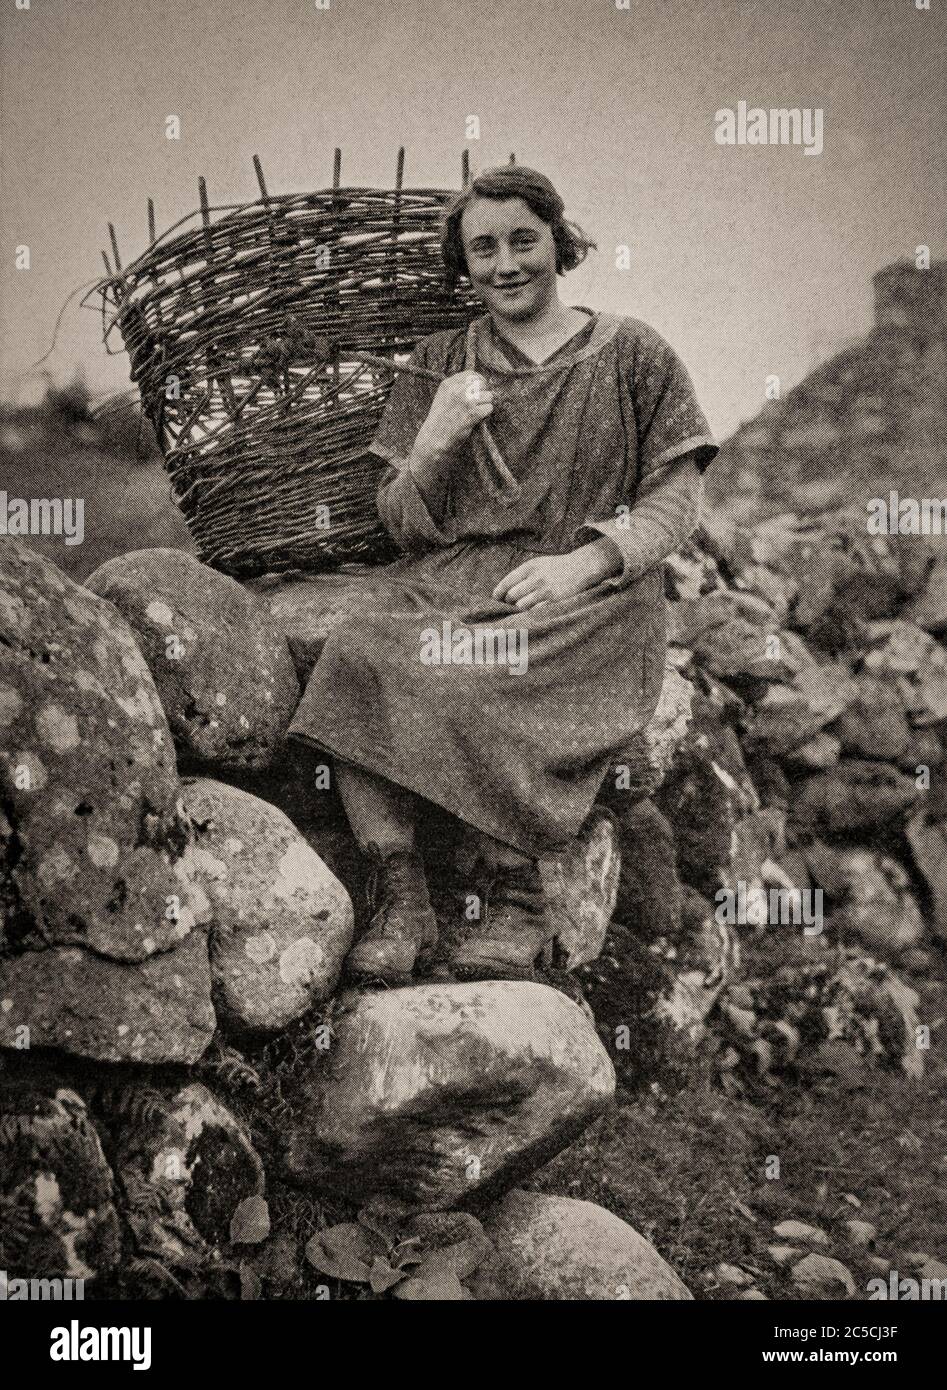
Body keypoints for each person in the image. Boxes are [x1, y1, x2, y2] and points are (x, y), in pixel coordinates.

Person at [288, 165, 718, 984]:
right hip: (453, 577)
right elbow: (400, 521)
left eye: (523, 239)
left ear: (559, 241)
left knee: (483, 668)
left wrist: (585, 560)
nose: (505, 263)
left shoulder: (632, 353)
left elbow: (675, 503)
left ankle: (512, 895)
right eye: (481, 248)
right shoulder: (439, 362)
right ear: (463, 265)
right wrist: (433, 441)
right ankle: (402, 899)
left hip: (586, 594)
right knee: (355, 654)